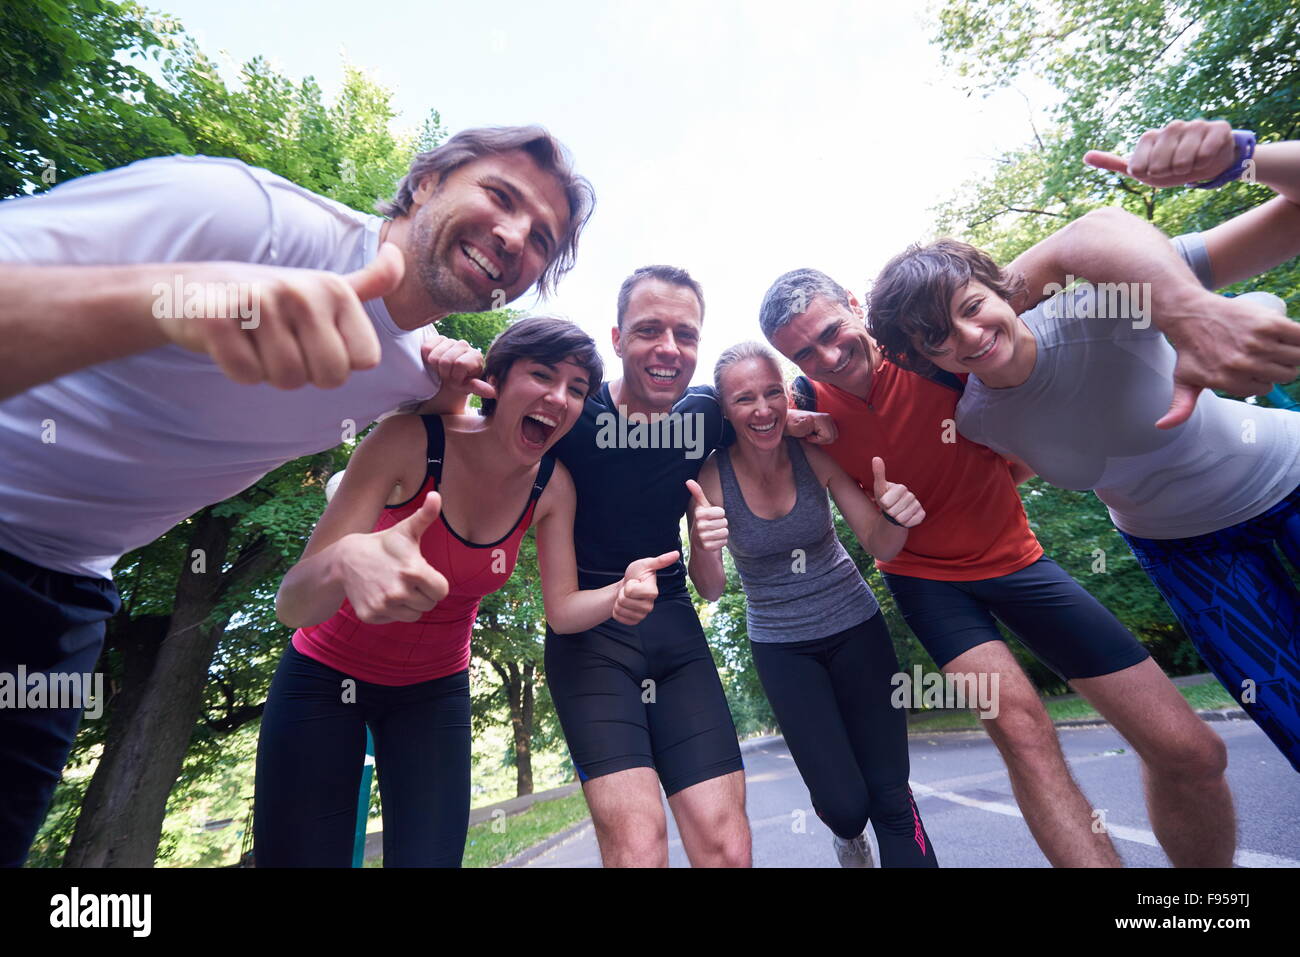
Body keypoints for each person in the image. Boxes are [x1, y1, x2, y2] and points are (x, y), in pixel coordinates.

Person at [0, 125, 593, 867]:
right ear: (426, 183)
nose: (513, 235)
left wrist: (442, 400)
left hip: (68, 596)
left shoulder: (411, 378)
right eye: (499, 196)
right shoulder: (248, 217)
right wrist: (172, 305)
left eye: (541, 237)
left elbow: (460, 438)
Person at [757, 201, 1272, 866]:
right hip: (929, 582)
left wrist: (1184, 309)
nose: (827, 355)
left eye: (832, 331)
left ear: (855, 306)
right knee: (1022, 730)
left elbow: (1078, 248)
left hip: (1018, 560)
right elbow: (740, 430)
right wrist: (882, 506)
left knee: (1191, 750)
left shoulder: (936, 342)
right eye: (803, 352)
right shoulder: (805, 404)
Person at [869, 120, 1300, 772]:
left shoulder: (1117, 296)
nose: (968, 334)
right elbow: (991, 478)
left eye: (971, 304)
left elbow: (1283, 222)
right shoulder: (979, 419)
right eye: (936, 336)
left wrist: (1244, 158)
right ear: (926, 356)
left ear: (1002, 286)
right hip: (1185, 555)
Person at [256, 317, 681, 866]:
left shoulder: (551, 485)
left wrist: (618, 595)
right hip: (322, 678)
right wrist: (343, 560)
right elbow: (292, 604)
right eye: (542, 376)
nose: (559, 397)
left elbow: (563, 612)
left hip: (434, 694)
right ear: (495, 382)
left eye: (576, 389)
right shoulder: (411, 441)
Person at [543, 264, 836, 868]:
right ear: (617, 338)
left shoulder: (705, 413)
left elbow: (776, 408)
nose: (669, 349)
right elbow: (484, 421)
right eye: (650, 330)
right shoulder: (570, 414)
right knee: (639, 847)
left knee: (729, 848)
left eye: (686, 334)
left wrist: (810, 418)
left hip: (673, 629)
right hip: (589, 639)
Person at [689, 341, 938, 868]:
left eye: (772, 392)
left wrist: (895, 516)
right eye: (744, 399)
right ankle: (847, 838)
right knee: (845, 805)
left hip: (856, 625)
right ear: (725, 410)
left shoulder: (811, 451)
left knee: (892, 797)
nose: (762, 409)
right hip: (783, 649)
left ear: (786, 394)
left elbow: (877, 541)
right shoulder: (712, 477)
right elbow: (710, 589)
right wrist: (703, 546)